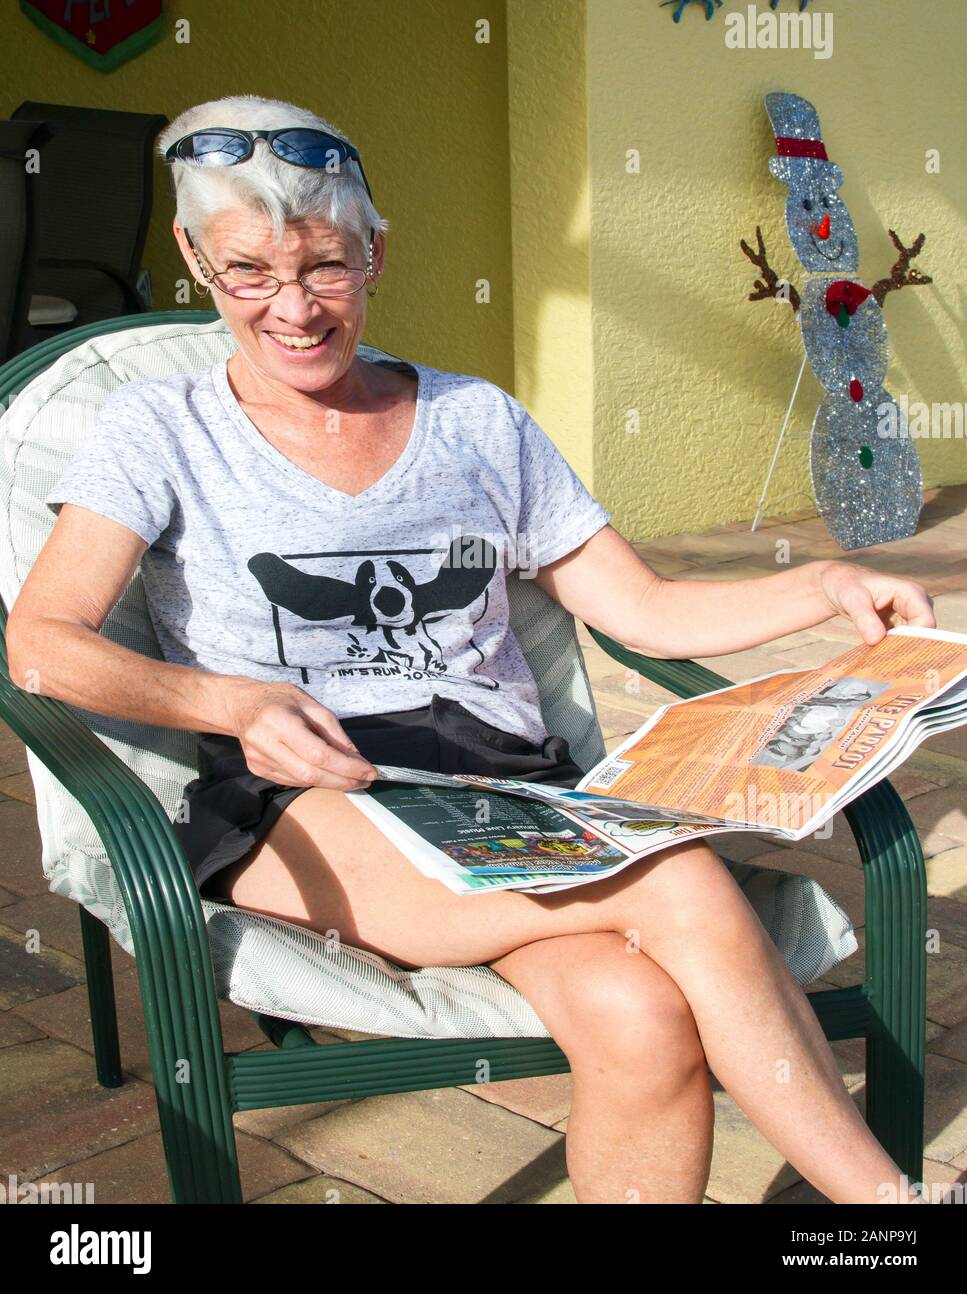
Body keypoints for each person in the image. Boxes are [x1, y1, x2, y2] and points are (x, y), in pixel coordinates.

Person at [6, 94, 936, 1206]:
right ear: (194, 260)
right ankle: (887, 1214)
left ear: (377, 254)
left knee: (638, 1019)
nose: (292, 307)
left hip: (512, 798)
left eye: (325, 267)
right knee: (681, 879)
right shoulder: (157, 429)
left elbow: (642, 610)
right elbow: (41, 645)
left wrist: (822, 581)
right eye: (248, 271)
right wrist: (235, 705)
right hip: (309, 803)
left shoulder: (476, 422)